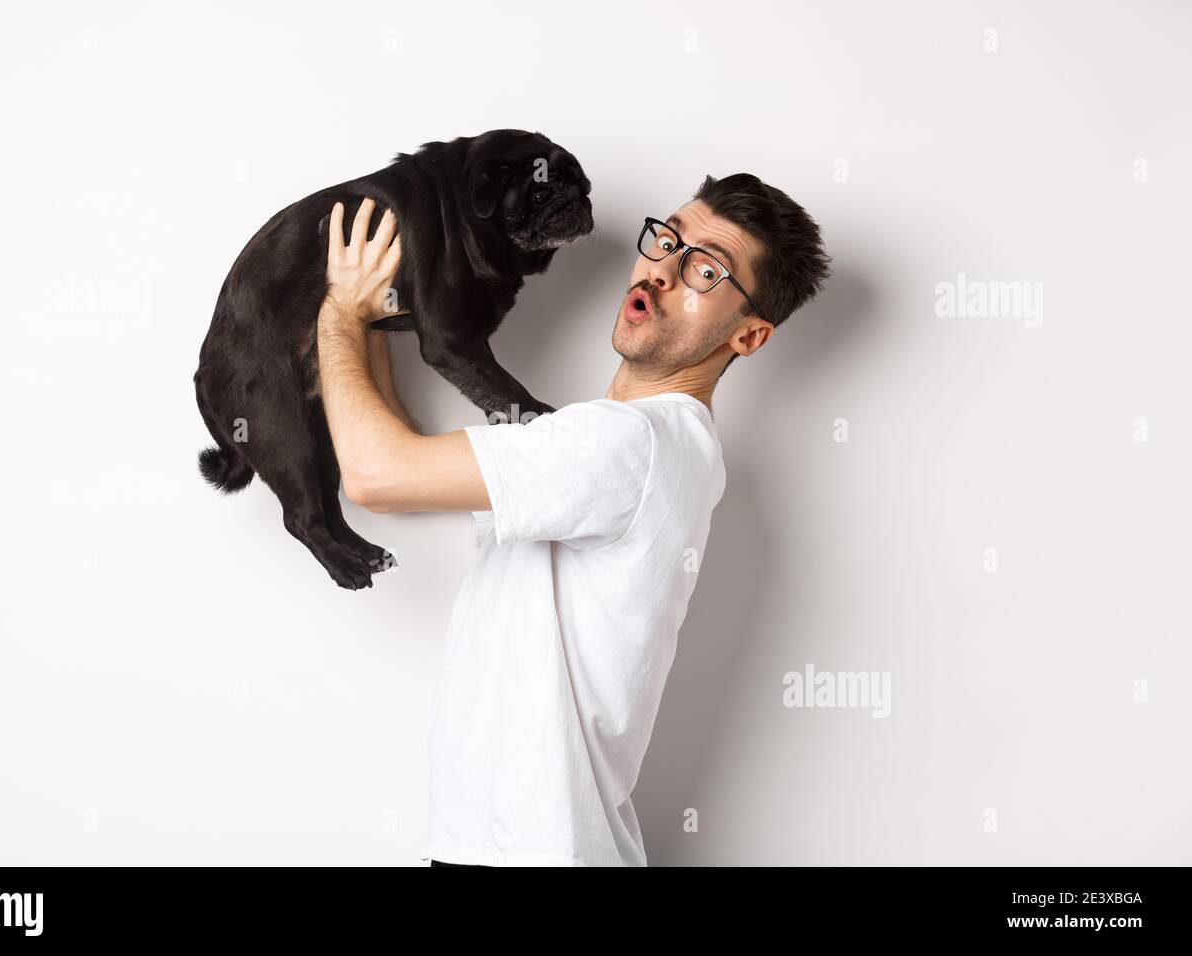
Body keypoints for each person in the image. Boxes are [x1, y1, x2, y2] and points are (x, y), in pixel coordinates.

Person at [315, 173, 831, 866]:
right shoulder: (649, 448)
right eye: (669, 240)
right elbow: (406, 466)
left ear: (750, 336)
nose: (664, 269)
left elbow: (378, 475)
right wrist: (372, 315)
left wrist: (339, 312)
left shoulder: (625, 445)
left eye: (706, 271)